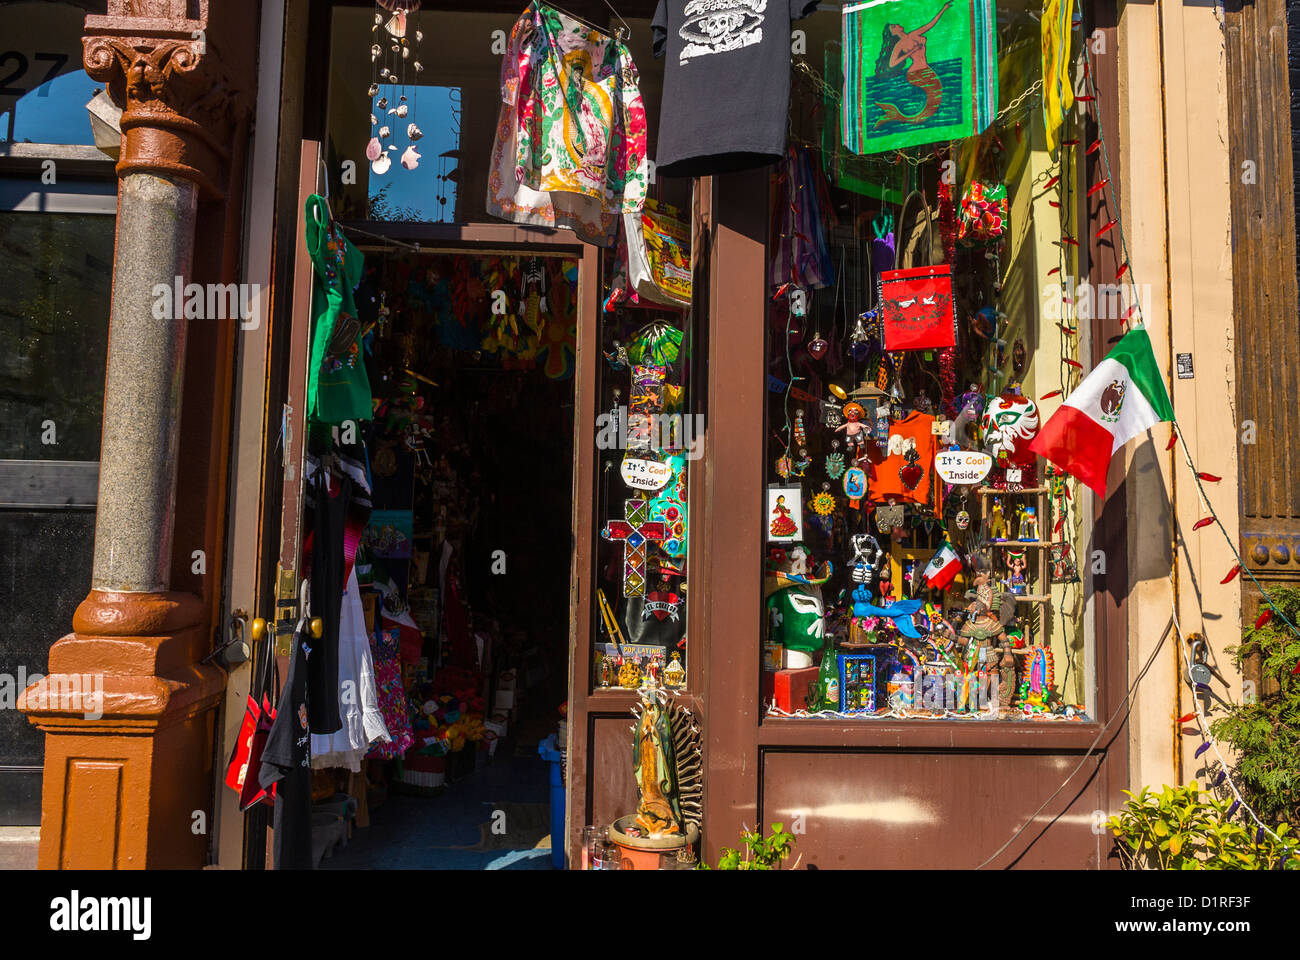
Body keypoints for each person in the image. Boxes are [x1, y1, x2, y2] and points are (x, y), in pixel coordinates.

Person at [873, 2, 953, 128]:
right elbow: (892, 63)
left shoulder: (913, 34)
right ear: (893, 33)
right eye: (894, 26)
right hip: (916, 73)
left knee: (935, 101)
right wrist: (911, 52)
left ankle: (902, 117)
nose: (897, 25)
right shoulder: (899, 45)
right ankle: (905, 117)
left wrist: (944, 8)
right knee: (935, 98)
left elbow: (930, 24)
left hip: (926, 70)